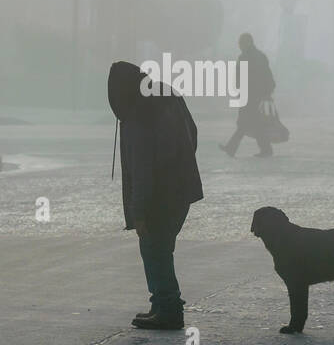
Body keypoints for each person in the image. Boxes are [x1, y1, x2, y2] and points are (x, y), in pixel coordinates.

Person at [107, 61, 203, 330]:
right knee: (162, 248)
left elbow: (142, 169)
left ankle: (168, 308)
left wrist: (138, 213)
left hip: (158, 196)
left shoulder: (138, 113)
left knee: (153, 248)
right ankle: (163, 305)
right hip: (181, 188)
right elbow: (192, 134)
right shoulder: (167, 95)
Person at [221, 32, 276, 158]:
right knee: (254, 123)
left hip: (250, 95)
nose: (239, 46)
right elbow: (267, 75)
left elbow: (242, 77)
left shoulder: (247, 57)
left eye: (241, 43)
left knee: (245, 123)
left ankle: (232, 148)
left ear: (247, 43)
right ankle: (265, 149)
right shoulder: (258, 56)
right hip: (253, 94)